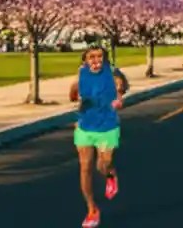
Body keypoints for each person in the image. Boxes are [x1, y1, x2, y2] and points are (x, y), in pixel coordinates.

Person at [69, 44, 129, 228]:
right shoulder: (81, 74)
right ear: (85, 60)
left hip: (107, 127)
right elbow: (72, 96)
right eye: (91, 57)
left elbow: (121, 91)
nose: (95, 61)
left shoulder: (113, 73)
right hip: (85, 127)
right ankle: (92, 209)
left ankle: (110, 175)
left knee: (103, 164)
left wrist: (119, 100)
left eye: (99, 57)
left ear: (105, 58)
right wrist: (77, 99)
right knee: (85, 167)